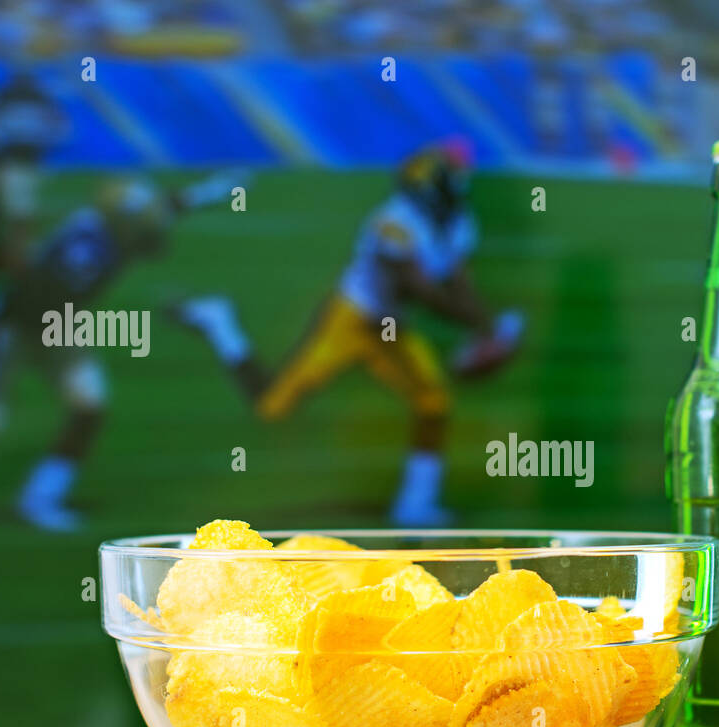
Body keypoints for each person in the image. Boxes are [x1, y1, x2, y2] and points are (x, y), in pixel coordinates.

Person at [175, 139, 524, 526]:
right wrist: (484, 328)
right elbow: (420, 291)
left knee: (434, 402)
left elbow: (457, 280)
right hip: (352, 317)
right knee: (272, 407)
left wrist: (488, 326)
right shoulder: (393, 224)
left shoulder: (457, 223)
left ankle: (415, 505)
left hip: (391, 326)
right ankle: (221, 324)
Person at [0, 172, 239, 529]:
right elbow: (35, 301)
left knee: (89, 406)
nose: (153, 229)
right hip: (19, 325)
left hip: (56, 323)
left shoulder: (114, 225)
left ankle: (40, 499)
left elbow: (163, 208)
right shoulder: (86, 252)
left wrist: (211, 192)